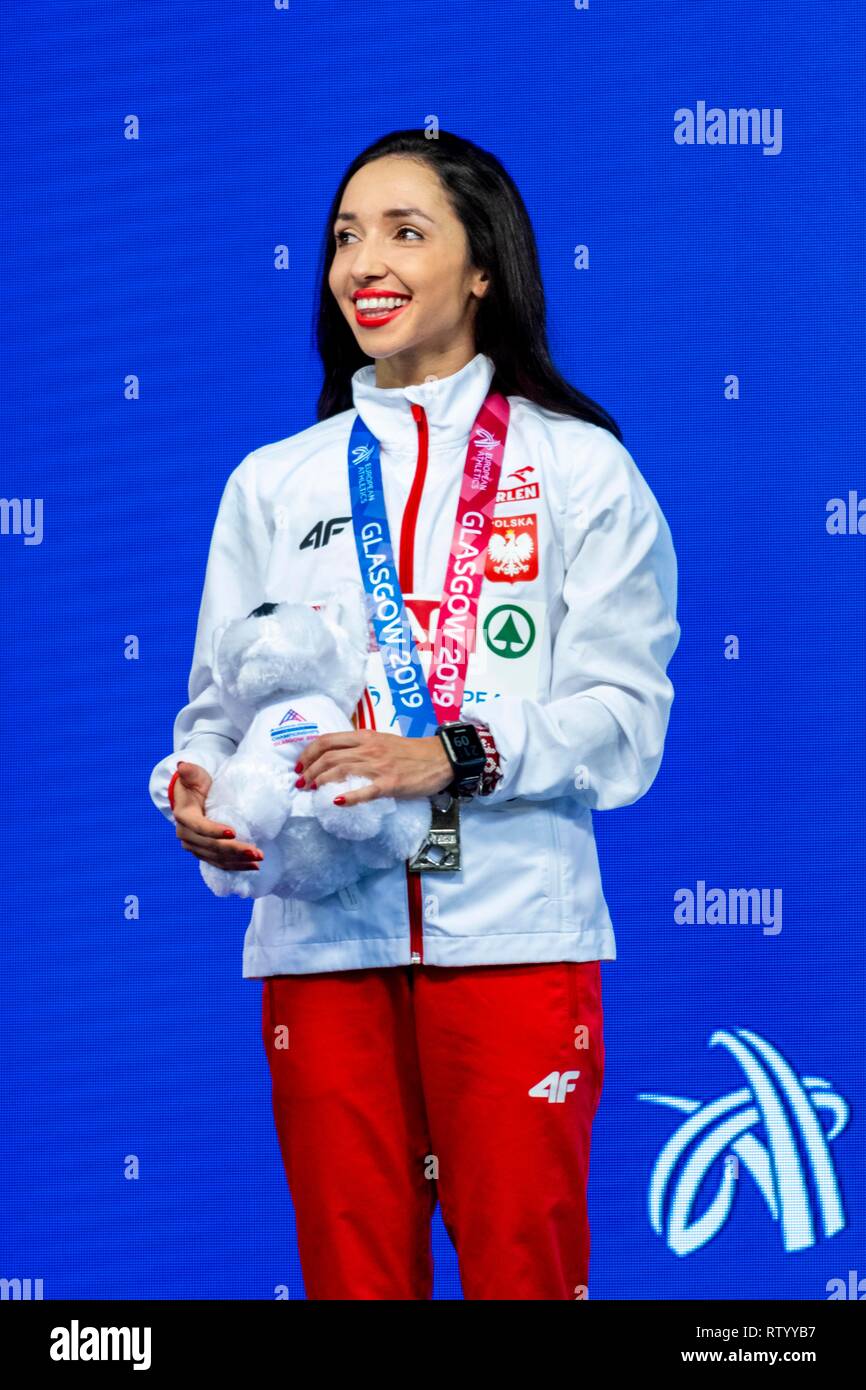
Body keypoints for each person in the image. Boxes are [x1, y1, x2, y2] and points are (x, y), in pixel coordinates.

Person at [149, 128, 681, 1300]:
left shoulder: (580, 468)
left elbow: (625, 715)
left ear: (481, 266)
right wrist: (194, 784)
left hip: (513, 935)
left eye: (403, 231)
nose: (362, 264)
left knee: (522, 1276)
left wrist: (448, 753)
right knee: (351, 1280)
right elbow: (217, 710)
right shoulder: (272, 481)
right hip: (321, 940)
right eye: (344, 237)